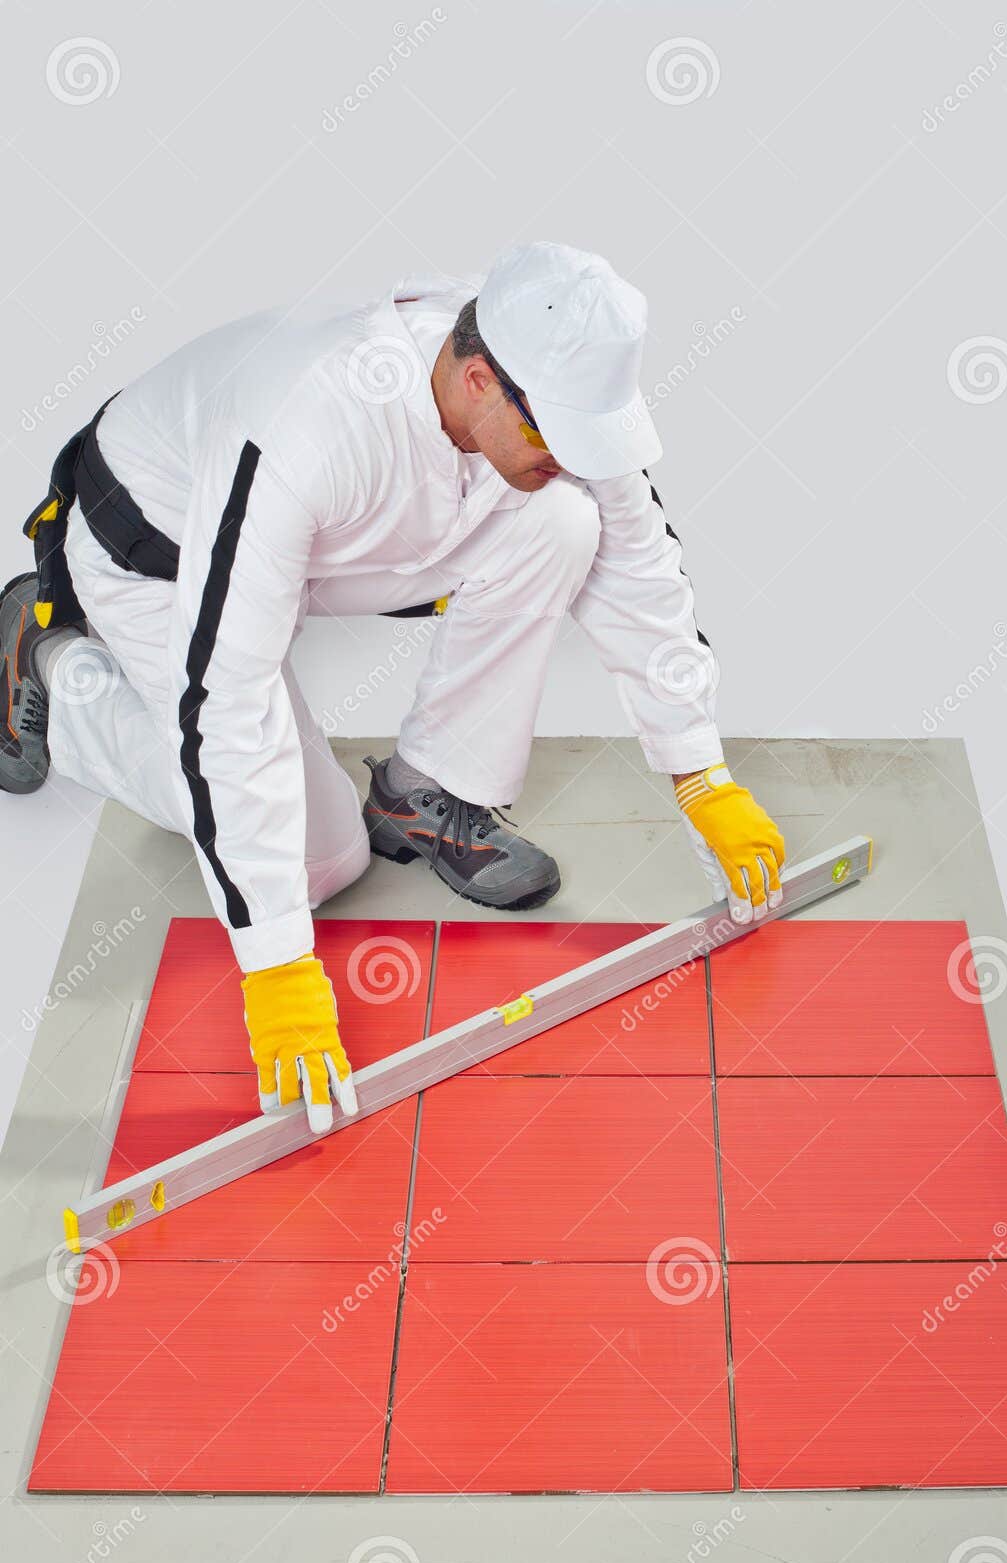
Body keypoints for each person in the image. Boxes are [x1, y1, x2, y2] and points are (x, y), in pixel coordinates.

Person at [1, 241, 785, 1133]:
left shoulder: (537, 376)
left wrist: (698, 773)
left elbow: (641, 567)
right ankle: (58, 678)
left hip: (319, 539)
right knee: (317, 864)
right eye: (556, 435)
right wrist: (275, 963)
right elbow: (228, 696)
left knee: (567, 522)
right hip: (160, 555)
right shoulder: (307, 419)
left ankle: (430, 791)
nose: (572, 454)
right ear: (481, 381)